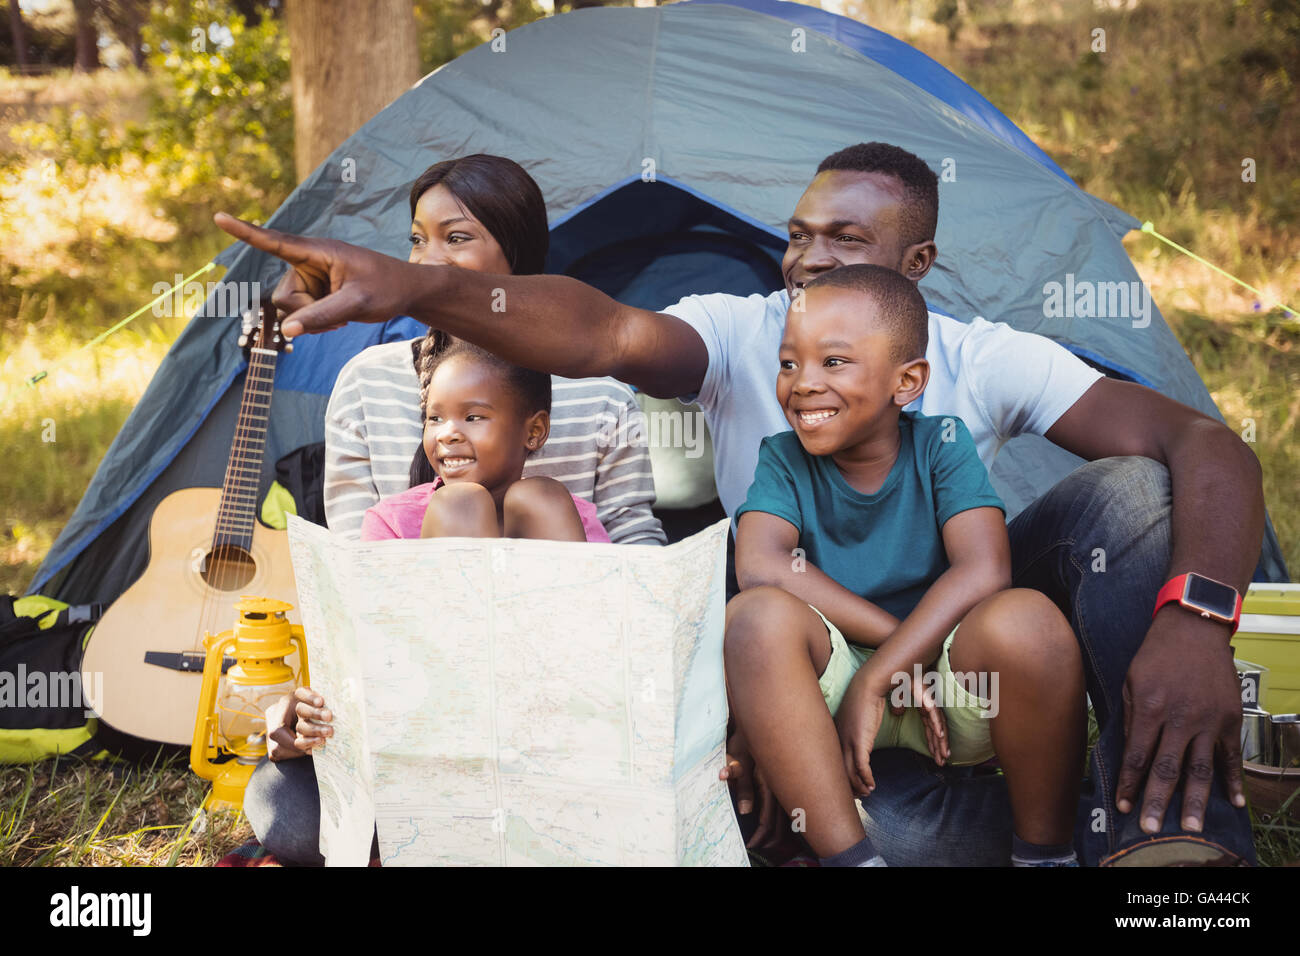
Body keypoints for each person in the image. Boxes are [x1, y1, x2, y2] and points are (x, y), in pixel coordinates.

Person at [216, 141, 1265, 866]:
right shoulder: (743, 336)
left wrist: (1196, 614)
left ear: (916, 266)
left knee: (1131, 493)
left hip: (967, 642)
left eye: (842, 241)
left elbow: (1199, 443)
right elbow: (600, 335)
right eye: (797, 233)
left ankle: (1159, 834)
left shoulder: (982, 365)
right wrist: (420, 288)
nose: (805, 259)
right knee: (894, 835)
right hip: (829, 669)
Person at [726, 264, 1084, 867]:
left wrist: (887, 671)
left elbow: (984, 569)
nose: (803, 383)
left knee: (1027, 620)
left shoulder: (942, 444)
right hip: (829, 698)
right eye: (789, 363)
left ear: (908, 381)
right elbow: (762, 564)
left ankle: (1046, 856)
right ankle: (852, 859)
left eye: (832, 362)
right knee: (755, 618)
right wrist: (889, 656)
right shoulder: (782, 459)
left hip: (946, 691)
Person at [246, 340, 609, 864]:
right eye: (434, 417)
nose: (447, 433)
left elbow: (604, 645)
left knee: (539, 497)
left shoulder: (569, 516)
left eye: (474, 416)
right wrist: (304, 719)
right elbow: (360, 655)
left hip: (543, 747)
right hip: (420, 752)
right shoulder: (392, 522)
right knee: (284, 806)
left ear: (534, 430)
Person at [324, 153, 664, 545]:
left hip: (566, 599)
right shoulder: (366, 383)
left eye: (456, 238)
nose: (426, 261)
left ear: (516, 254)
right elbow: (352, 557)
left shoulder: (603, 397)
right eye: (417, 240)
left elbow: (634, 542)